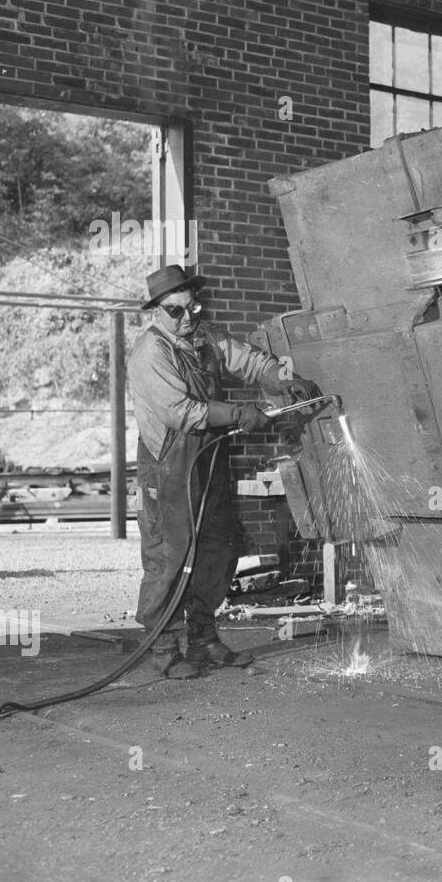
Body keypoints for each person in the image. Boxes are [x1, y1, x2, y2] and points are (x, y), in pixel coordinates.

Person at [129, 264, 322, 679]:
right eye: (175, 312)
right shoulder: (151, 353)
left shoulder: (203, 335)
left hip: (210, 456)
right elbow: (181, 412)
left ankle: (203, 639)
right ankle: (164, 649)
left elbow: (249, 361)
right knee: (170, 554)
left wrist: (284, 379)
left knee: (218, 546)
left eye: (191, 307)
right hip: (169, 464)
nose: (187, 317)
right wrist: (239, 412)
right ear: (156, 313)